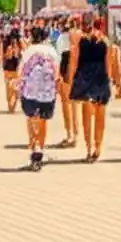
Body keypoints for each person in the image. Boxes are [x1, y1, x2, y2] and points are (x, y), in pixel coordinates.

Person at [67, 16, 121, 162]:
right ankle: (98, 147)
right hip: (100, 79)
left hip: (85, 79)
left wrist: (72, 81)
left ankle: (89, 147)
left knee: (87, 115)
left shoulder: (81, 41)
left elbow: (74, 61)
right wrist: (110, 81)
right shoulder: (106, 42)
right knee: (100, 115)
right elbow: (109, 64)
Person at [18, 26, 60, 170]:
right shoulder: (52, 51)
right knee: (43, 122)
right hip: (47, 93)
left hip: (30, 92)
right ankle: (39, 150)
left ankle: (33, 147)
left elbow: (21, 72)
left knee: (32, 119)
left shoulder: (28, 51)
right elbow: (57, 73)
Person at [53, 16, 79, 147]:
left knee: (66, 104)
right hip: (78, 73)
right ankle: (76, 134)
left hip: (66, 72)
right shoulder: (81, 37)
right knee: (75, 105)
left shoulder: (62, 38)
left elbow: (58, 59)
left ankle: (70, 134)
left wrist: (57, 77)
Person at [0, 26, 24, 113]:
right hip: (10, 68)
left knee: (14, 88)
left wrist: (17, 52)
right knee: (11, 88)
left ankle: (11, 105)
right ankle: (10, 105)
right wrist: (9, 53)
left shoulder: (20, 44)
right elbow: (4, 56)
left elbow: (25, 52)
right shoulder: (7, 44)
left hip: (15, 68)